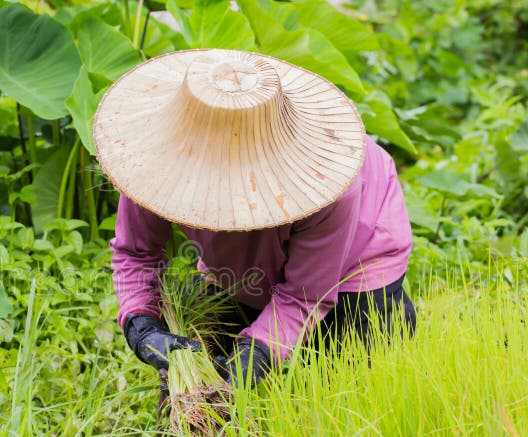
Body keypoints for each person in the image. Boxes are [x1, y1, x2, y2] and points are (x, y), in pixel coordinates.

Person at [92, 49, 416, 387]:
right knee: (204, 371)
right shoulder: (153, 164)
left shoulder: (330, 186)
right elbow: (135, 253)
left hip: (355, 258)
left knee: (344, 383)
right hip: (245, 262)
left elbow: (304, 294)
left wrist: (258, 353)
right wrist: (140, 324)